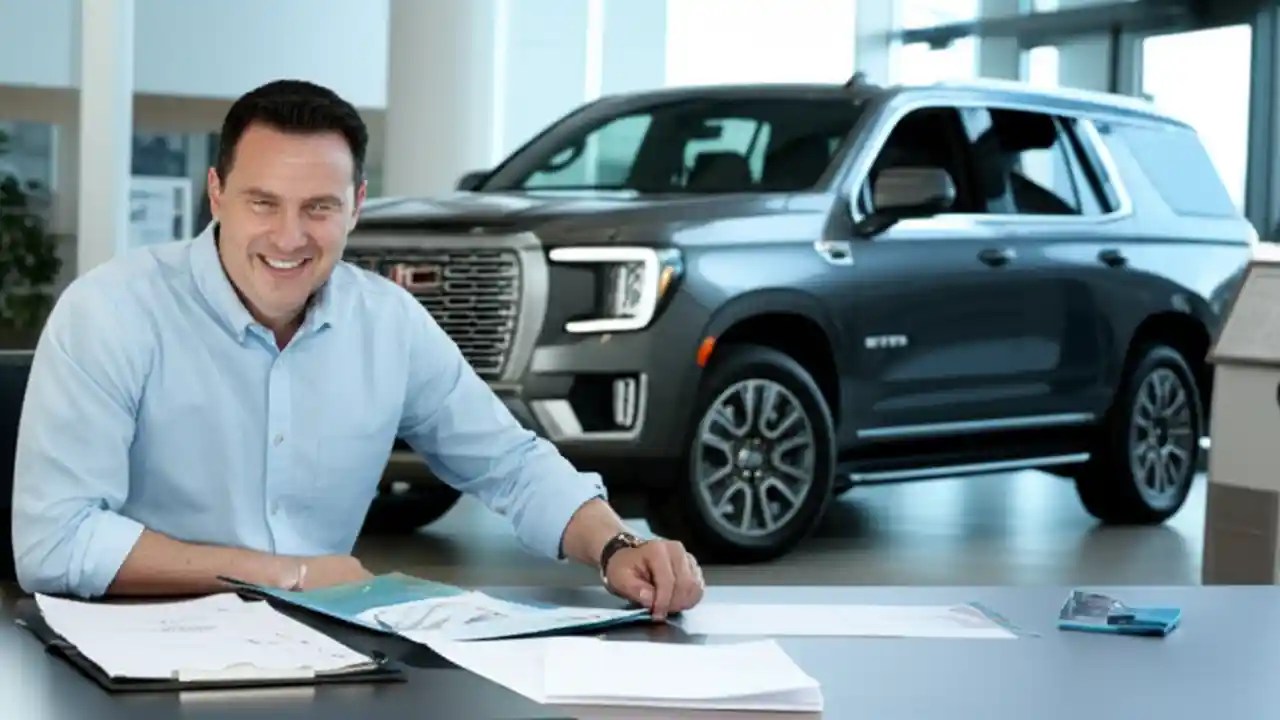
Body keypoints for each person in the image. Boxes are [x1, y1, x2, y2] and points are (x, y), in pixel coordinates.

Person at [10, 79, 704, 620]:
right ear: (216, 193)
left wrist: (616, 544)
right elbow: (57, 543)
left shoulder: (388, 323)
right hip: (129, 655)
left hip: (323, 650)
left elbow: (510, 464)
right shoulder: (111, 313)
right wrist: (288, 573)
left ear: (357, 204)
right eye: (262, 203)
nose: (289, 237)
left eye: (318, 207)